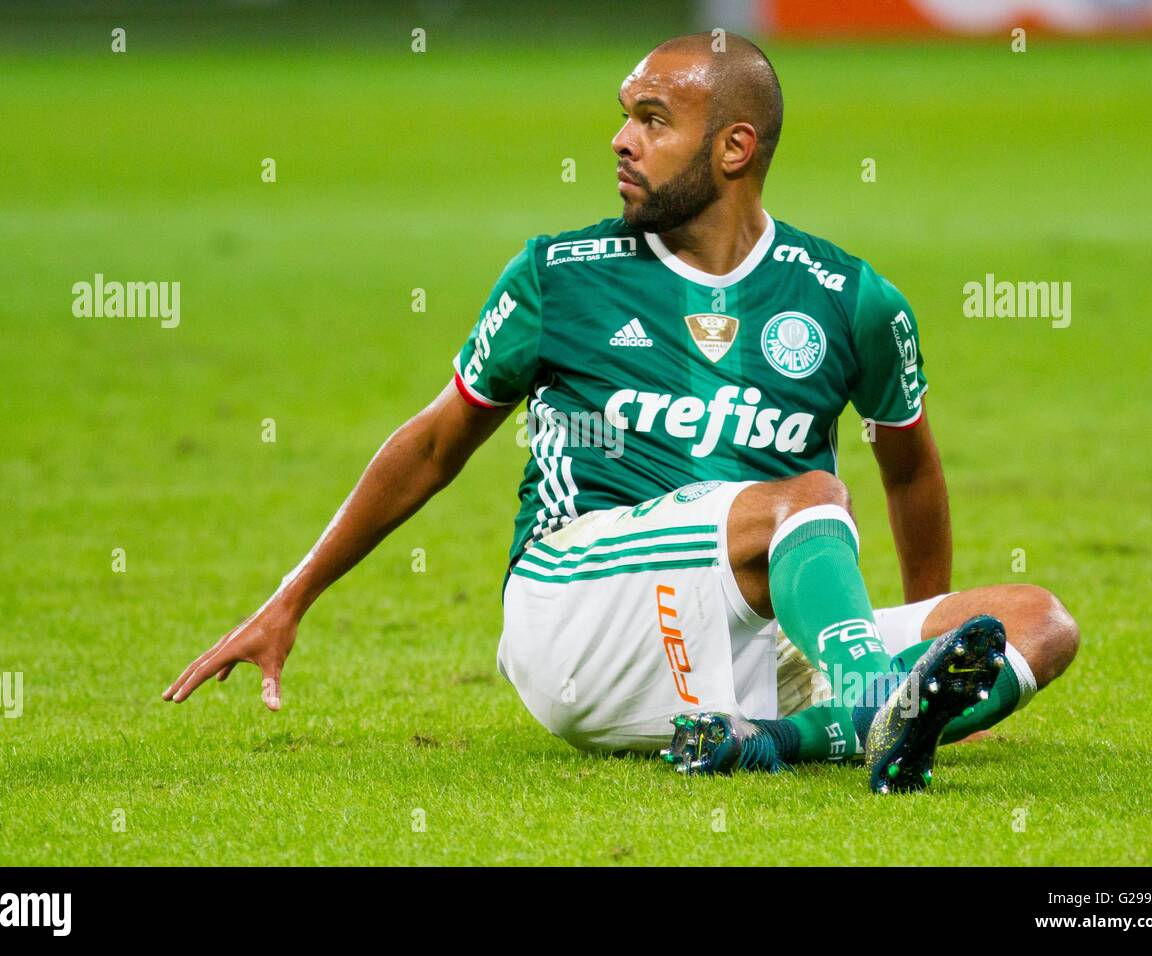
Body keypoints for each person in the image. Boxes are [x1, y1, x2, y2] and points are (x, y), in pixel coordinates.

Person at [163, 33, 1079, 794]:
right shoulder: (559, 278)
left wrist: (919, 620)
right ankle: (877, 695)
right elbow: (438, 443)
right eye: (623, 114)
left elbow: (910, 469)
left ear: (734, 148)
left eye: (651, 118)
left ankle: (782, 738)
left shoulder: (850, 300)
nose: (619, 140)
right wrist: (293, 598)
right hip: (574, 605)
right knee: (803, 496)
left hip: (740, 631)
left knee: (1035, 624)